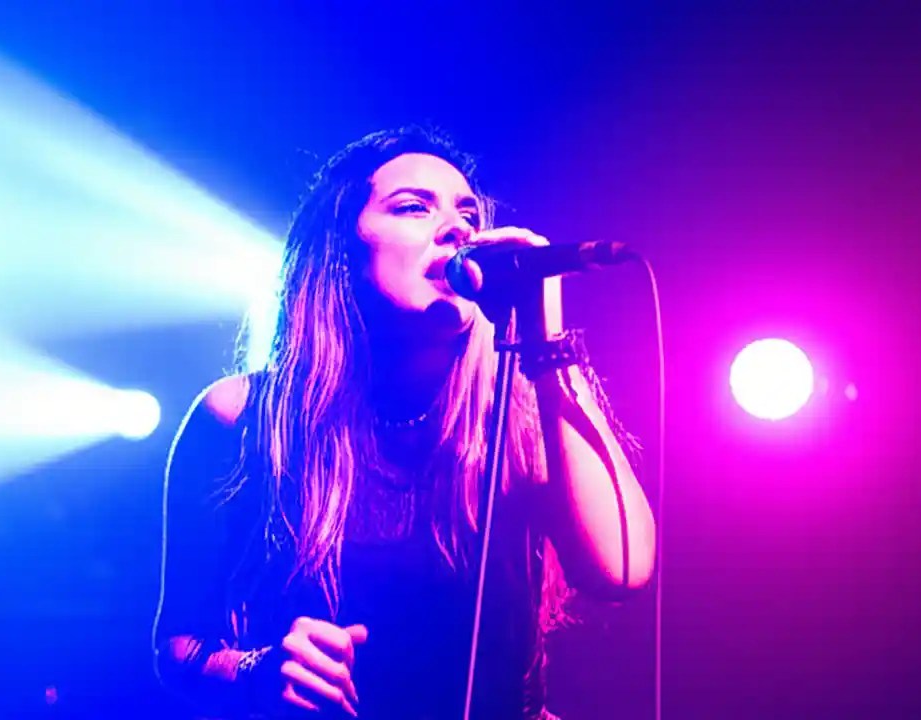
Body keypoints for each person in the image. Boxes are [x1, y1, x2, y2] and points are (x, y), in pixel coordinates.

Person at [153, 125, 656, 719]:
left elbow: (622, 568)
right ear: (340, 251)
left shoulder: (518, 415)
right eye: (414, 207)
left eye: (468, 214)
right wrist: (255, 671)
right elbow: (176, 646)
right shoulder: (242, 416)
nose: (457, 229)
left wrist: (544, 341)